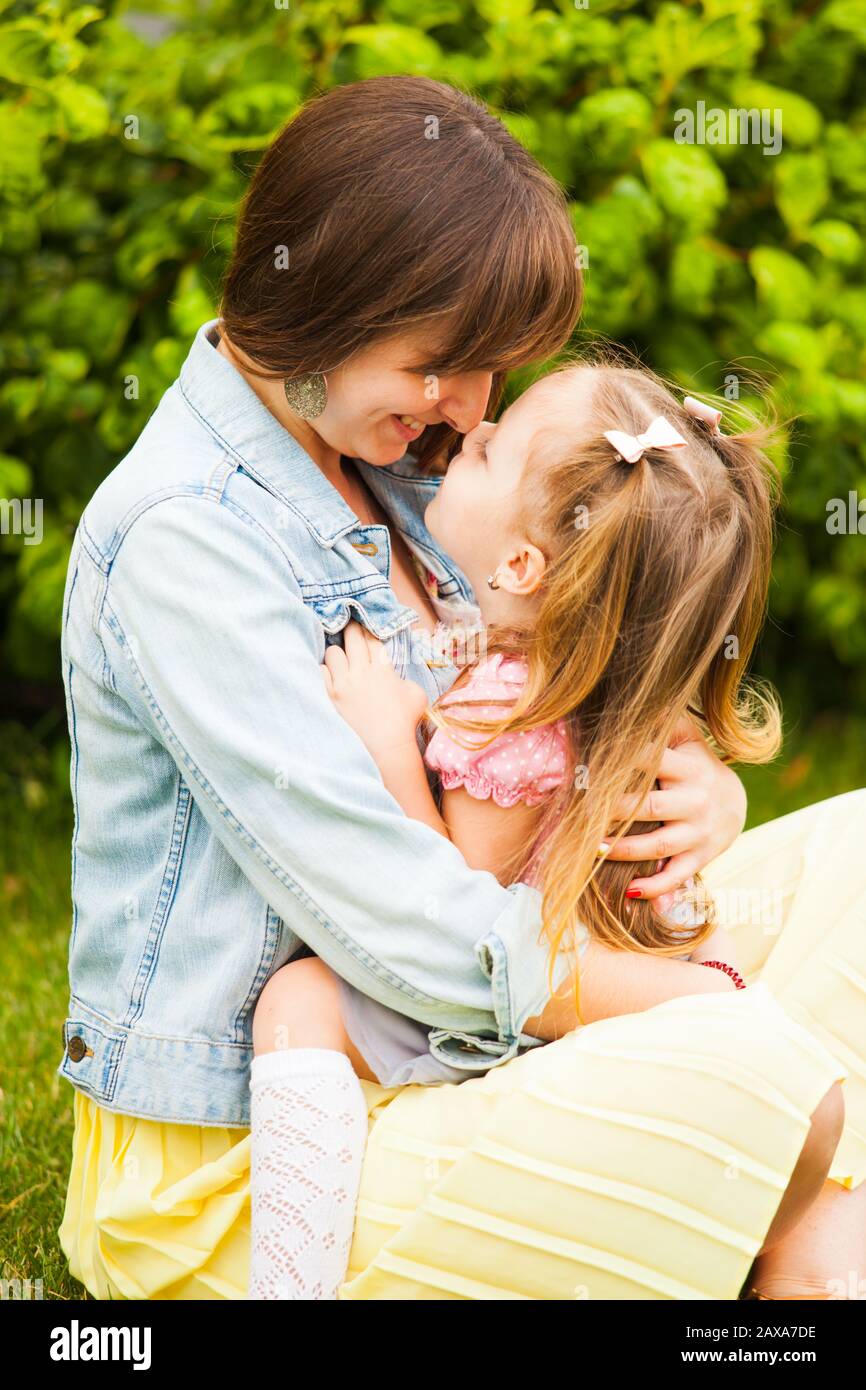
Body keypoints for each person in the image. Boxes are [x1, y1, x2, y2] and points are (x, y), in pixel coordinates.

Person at [58, 77, 860, 1301]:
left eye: (491, 377)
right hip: (255, 1156)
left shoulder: (390, 462)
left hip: (457, 1052)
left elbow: (568, 688)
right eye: (445, 365)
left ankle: (770, 1205)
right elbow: (396, 918)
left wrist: (684, 795)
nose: (472, 412)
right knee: (750, 1055)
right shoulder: (188, 544)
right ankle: (790, 1233)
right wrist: (663, 996)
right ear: (325, 297)